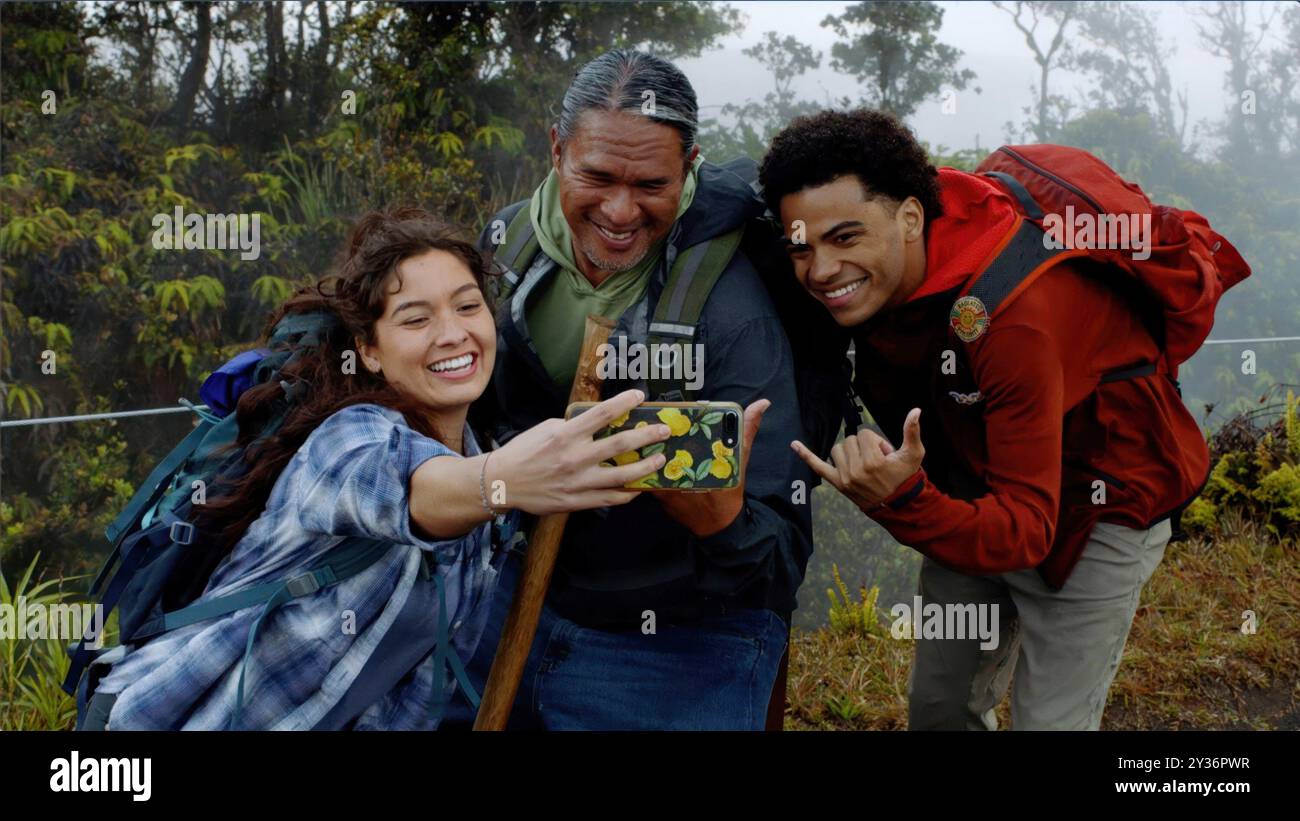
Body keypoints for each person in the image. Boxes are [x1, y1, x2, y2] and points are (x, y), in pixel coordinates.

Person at [85, 208, 670, 730]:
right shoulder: (346, 440)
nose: (453, 334)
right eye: (415, 320)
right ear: (368, 348)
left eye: (468, 306)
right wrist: (502, 481)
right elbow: (414, 490)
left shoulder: (479, 489)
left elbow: (411, 690)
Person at [760, 109, 1220, 730]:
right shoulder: (882, 269)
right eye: (801, 247)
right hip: (973, 486)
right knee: (940, 711)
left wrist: (901, 500)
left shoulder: (1011, 315)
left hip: (1102, 507)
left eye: (845, 238)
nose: (819, 270)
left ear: (911, 218)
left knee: (1051, 722)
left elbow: (1026, 533)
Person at [442, 50, 816, 730]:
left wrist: (722, 521)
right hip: (519, 586)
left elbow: (780, 554)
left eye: (651, 184)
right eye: (597, 176)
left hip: (679, 628)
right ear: (557, 150)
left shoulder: (734, 315)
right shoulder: (508, 251)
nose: (619, 211)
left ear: (690, 164)